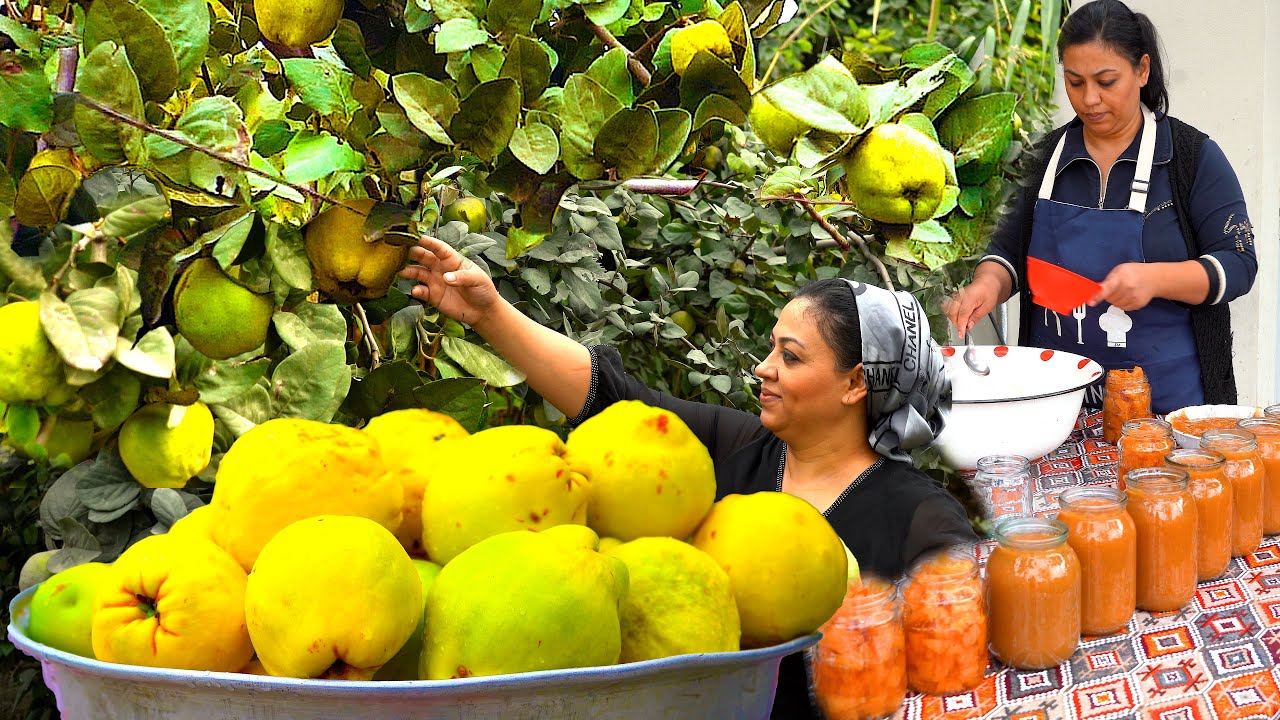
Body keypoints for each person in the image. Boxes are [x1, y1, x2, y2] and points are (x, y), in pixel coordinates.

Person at [400, 237, 976, 719]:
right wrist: (488, 313)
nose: (763, 368)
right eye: (772, 348)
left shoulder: (919, 516)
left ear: (855, 384)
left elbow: (955, 664)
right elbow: (613, 400)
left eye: (791, 357)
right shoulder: (743, 447)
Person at [946, 0, 1257, 415]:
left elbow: (1238, 263)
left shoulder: (1191, 157)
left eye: (1106, 81)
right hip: (1055, 406)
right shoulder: (1041, 161)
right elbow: (1005, 251)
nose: (1090, 99)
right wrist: (987, 284)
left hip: (1168, 411)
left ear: (1142, 70)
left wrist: (1157, 279)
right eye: (1075, 83)